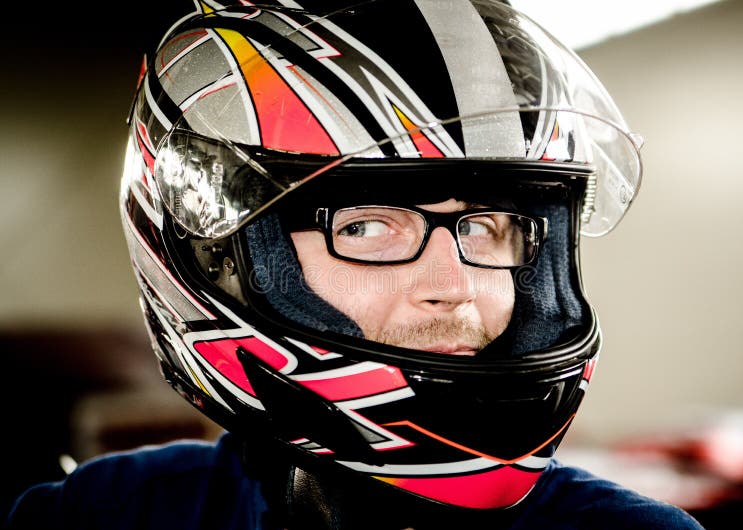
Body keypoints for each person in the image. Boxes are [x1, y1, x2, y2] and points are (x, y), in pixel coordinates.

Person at [7, 0, 705, 528]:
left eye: (491, 228)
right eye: (370, 226)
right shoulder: (106, 515)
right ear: (223, 257)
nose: (455, 287)